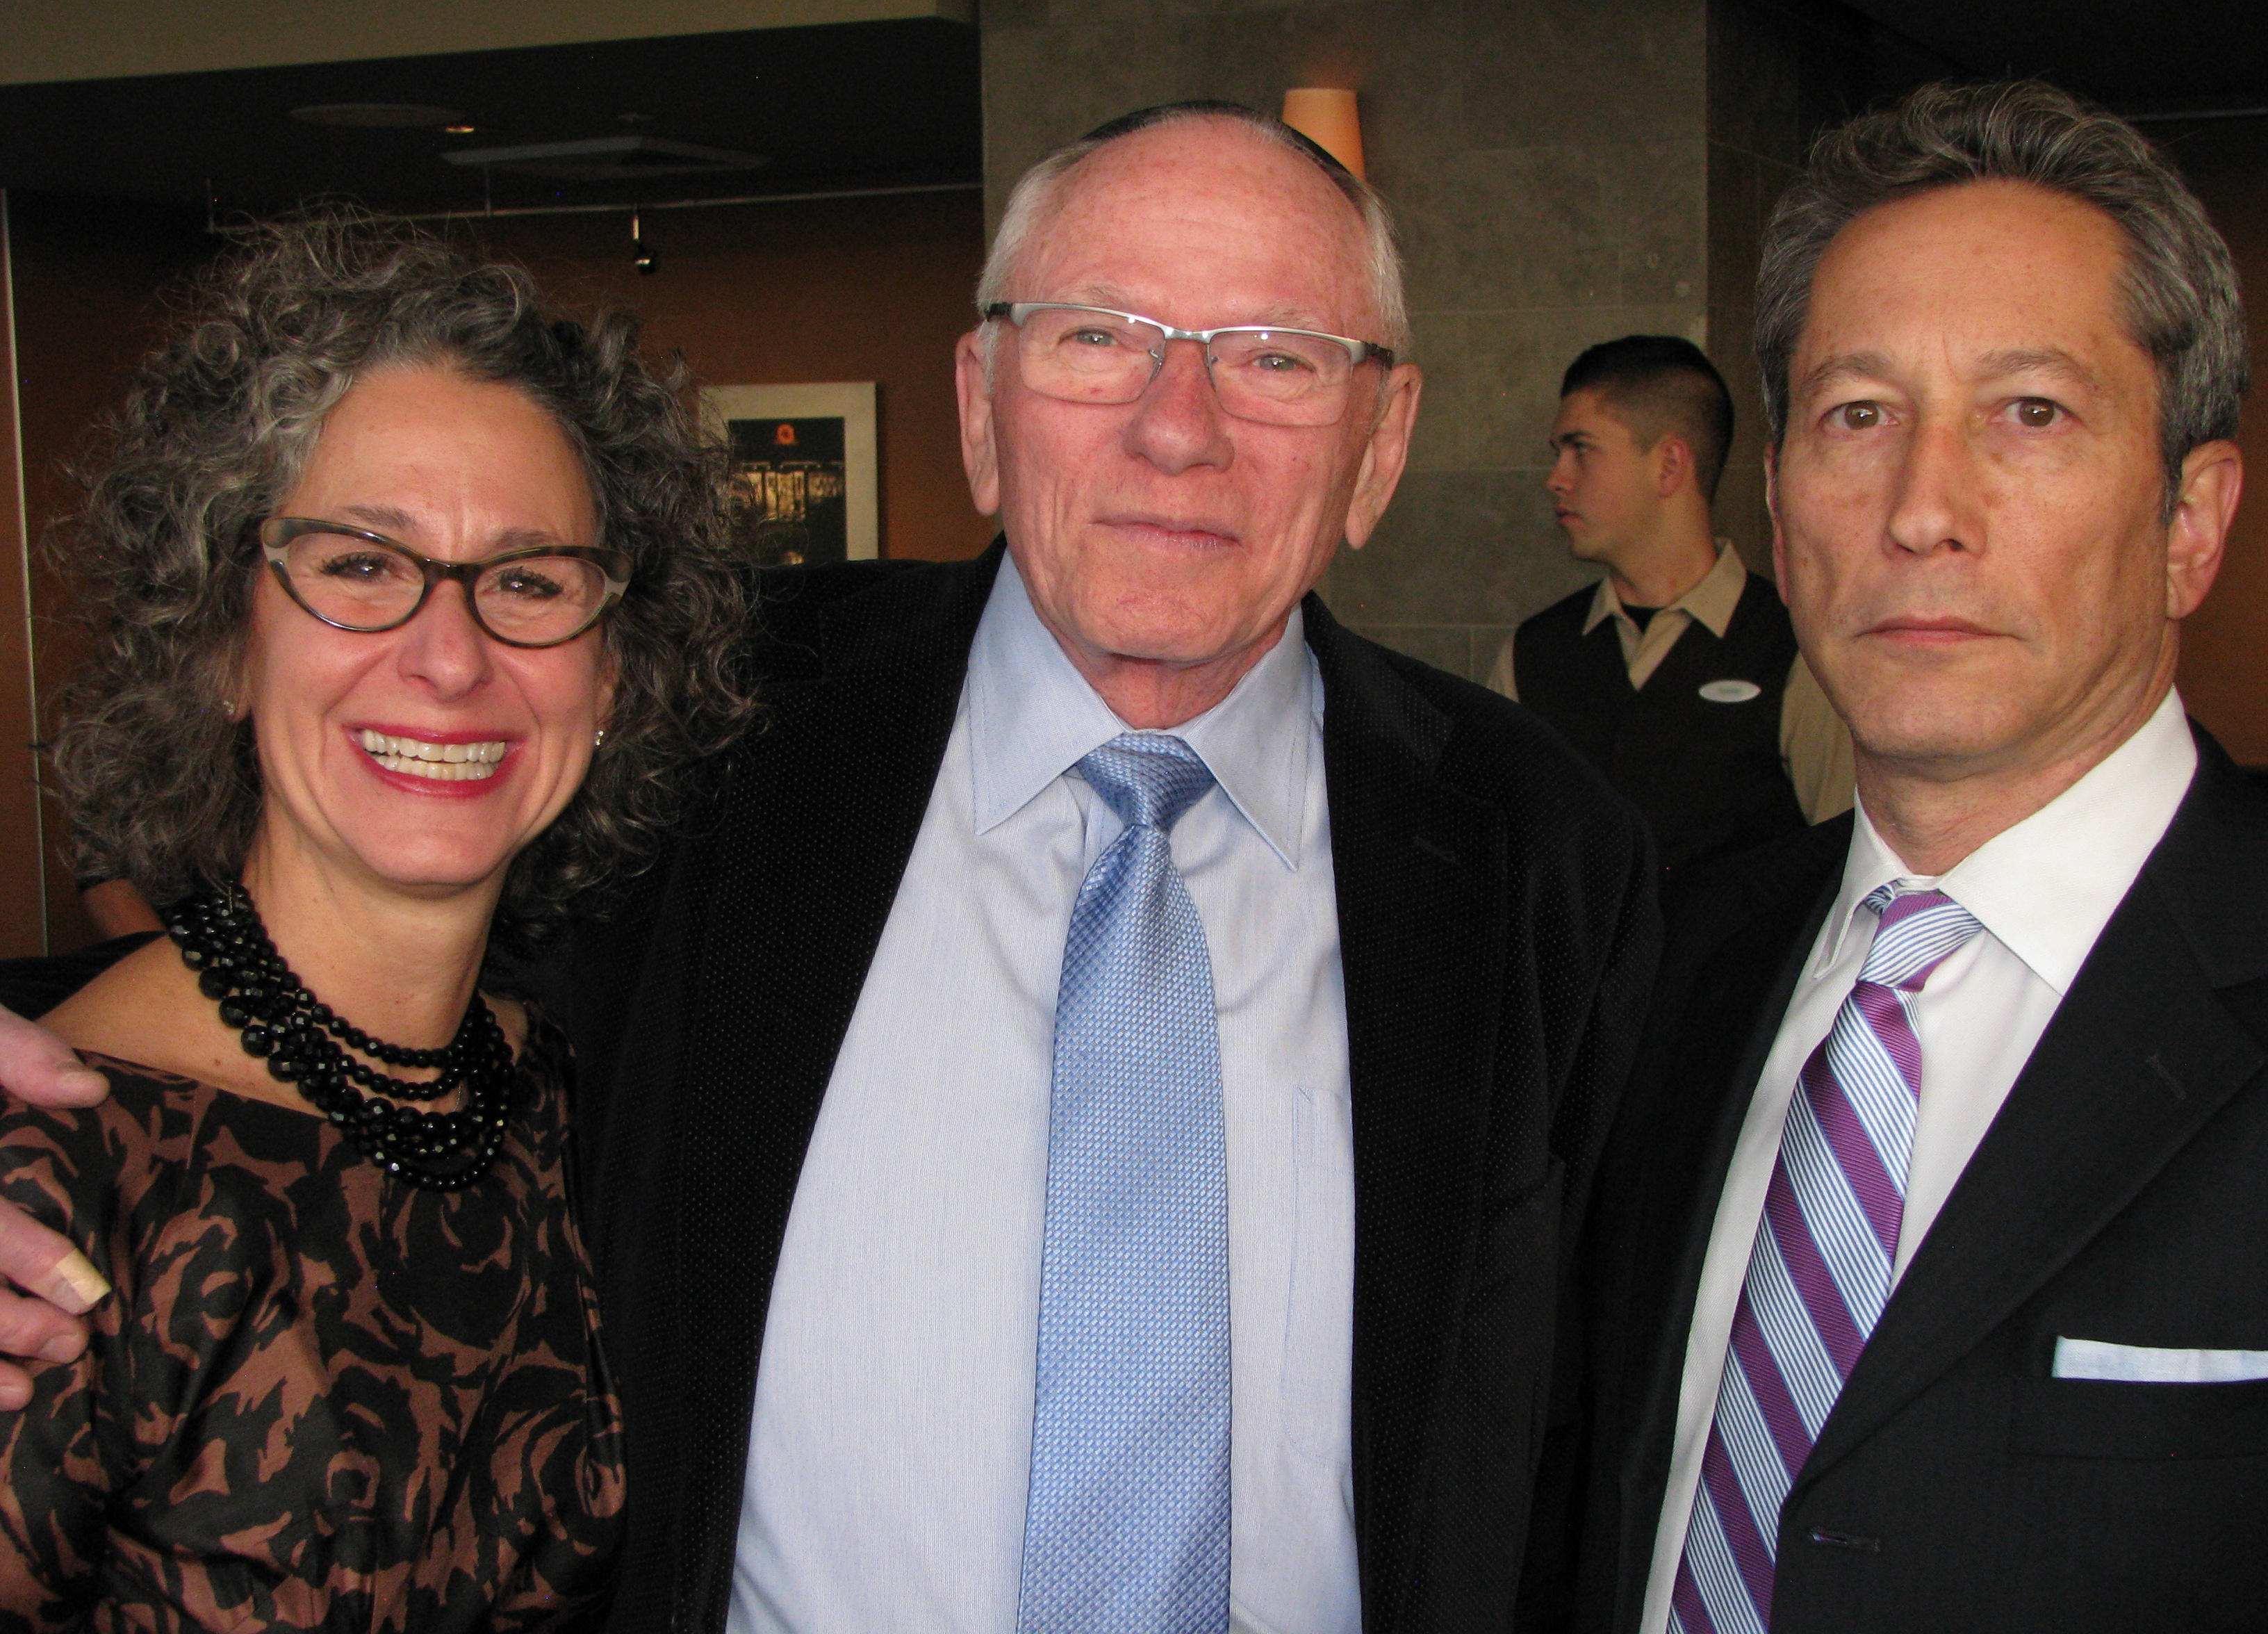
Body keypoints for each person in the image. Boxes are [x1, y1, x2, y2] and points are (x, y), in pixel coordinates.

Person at [0, 101, 1658, 1633]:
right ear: (979, 409)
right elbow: (341, 970)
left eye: (1276, 358)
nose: (1179, 429)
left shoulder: (1543, 853)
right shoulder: (703, 729)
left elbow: (1595, 1440)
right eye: (1098, 338)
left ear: (1381, 438)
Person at [1569, 80, 2259, 1634]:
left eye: (2032, 413)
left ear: (2191, 522)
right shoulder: (1670, 968)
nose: (1921, 509)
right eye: (1858, 417)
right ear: (1781, 501)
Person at [0, 218, 752, 1625]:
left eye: (529, 582)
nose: (451, 657)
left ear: (611, 680)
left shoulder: (576, 1100)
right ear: (223, 638)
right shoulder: (53, 1177)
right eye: (358, 565)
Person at [1488, 337, 1852, 869]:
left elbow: (1847, 872)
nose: (1556, 479)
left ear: (1669, 465)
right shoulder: (1531, 654)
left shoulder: (1799, 649)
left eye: (1581, 449)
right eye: (1558, 453)